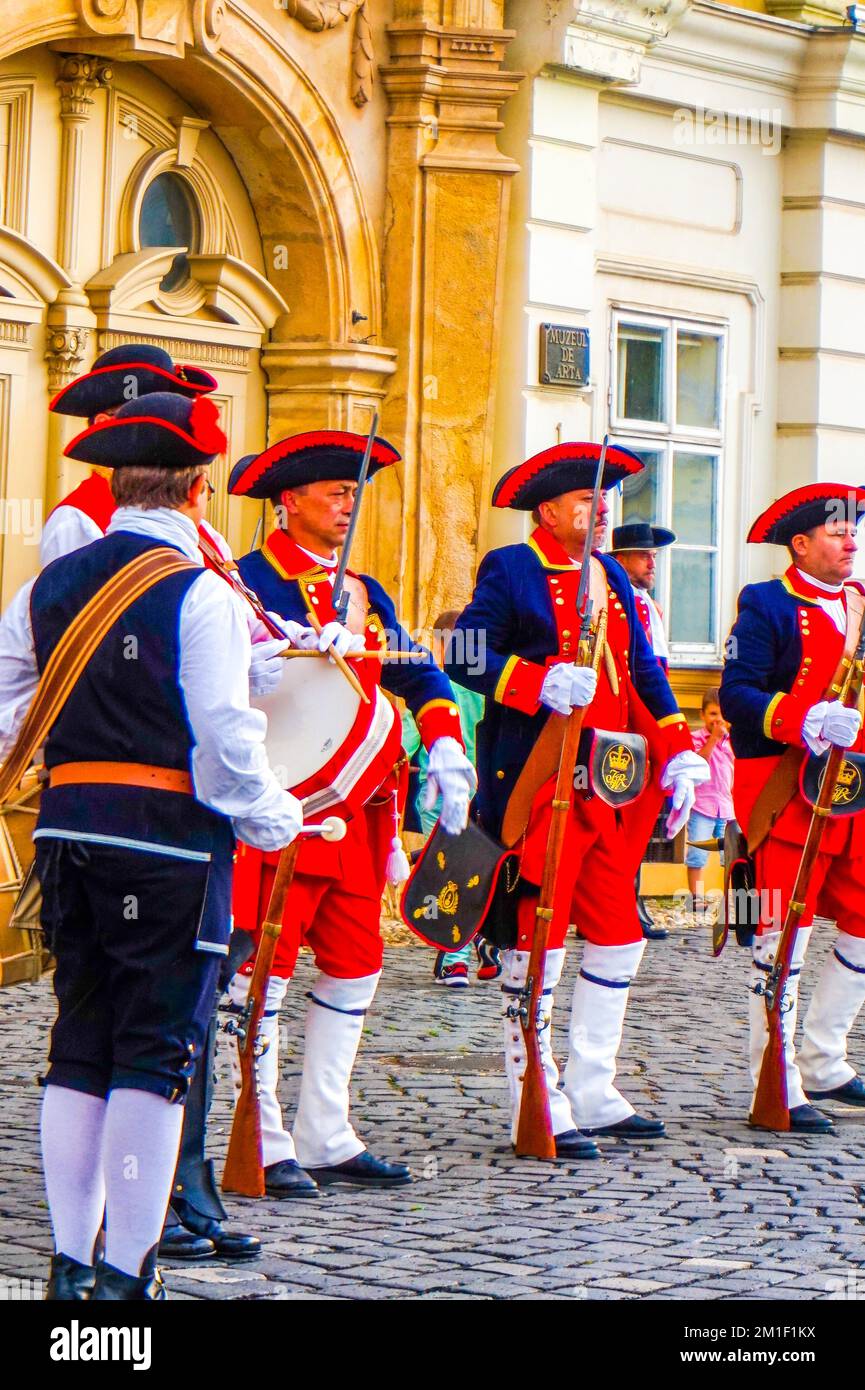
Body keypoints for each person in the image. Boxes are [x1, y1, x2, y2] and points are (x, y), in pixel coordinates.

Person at [0, 391, 305, 1299]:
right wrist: (269, 814)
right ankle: (129, 1274)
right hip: (170, 845)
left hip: (66, 834)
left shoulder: (45, 584)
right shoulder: (201, 592)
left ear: (115, 483)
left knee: (81, 1041)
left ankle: (68, 1265)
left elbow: (8, 704)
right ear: (200, 490)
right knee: (156, 1053)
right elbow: (221, 732)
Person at [227, 432, 477, 1194]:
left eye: (352, 495)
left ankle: (324, 1129)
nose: (347, 508)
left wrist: (444, 743)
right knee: (264, 973)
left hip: (363, 812)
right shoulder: (243, 582)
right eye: (335, 494)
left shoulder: (364, 590)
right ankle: (260, 1135)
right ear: (288, 501)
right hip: (288, 811)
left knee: (356, 964)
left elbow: (421, 672)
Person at [446, 441, 708, 1157]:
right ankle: (536, 1093)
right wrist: (536, 682)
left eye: (603, 503)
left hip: (613, 786)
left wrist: (679, 748)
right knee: (536, 935)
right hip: (543, 783)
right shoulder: (512, 568)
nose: (601, 515)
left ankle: (594, 1086)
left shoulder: (608, 578)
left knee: (618, 935)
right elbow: (463, 654)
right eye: (587, 503)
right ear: (547, 510)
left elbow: (645, 672)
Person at [720, 482, 865, 1133]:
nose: (850, 542)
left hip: (852, 789)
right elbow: (736, 694)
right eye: (836, 533)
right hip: (783, 787)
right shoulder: (766, 605)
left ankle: (825, 1056)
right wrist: (805, 718)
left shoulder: (860, 606)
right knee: (782, 935)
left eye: (852, 532)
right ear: (800, 544)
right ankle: (773, 1077)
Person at [401, 609, 499, 987]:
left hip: (443, 794)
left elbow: (408, 737)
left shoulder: (440, 686)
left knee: (451, 874)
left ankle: (455, 957)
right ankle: (484, 940)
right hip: (480, 791)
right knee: (477, 868)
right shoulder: (481, 690)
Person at [609, 520, 676, 941]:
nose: (652, 562)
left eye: (653, 555)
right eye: (643, 554)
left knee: (639, 813)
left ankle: (630, 897)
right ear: (620, 560)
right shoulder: (616, 600)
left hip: (651, 720)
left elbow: (659, 670)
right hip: (623, 720)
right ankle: (617, 901)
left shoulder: (648, 606)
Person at [685, 688, 734, 912]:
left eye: (722, 714)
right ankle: (696, 897)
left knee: (731, 857)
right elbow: (698, 763)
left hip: (727, 807)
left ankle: (730, 899)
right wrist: (713, 739)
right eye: (713, 714)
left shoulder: (734, 741)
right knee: (697, 854)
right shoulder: (694, 738)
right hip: (702, 807)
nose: (719, 720)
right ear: (703, 714)